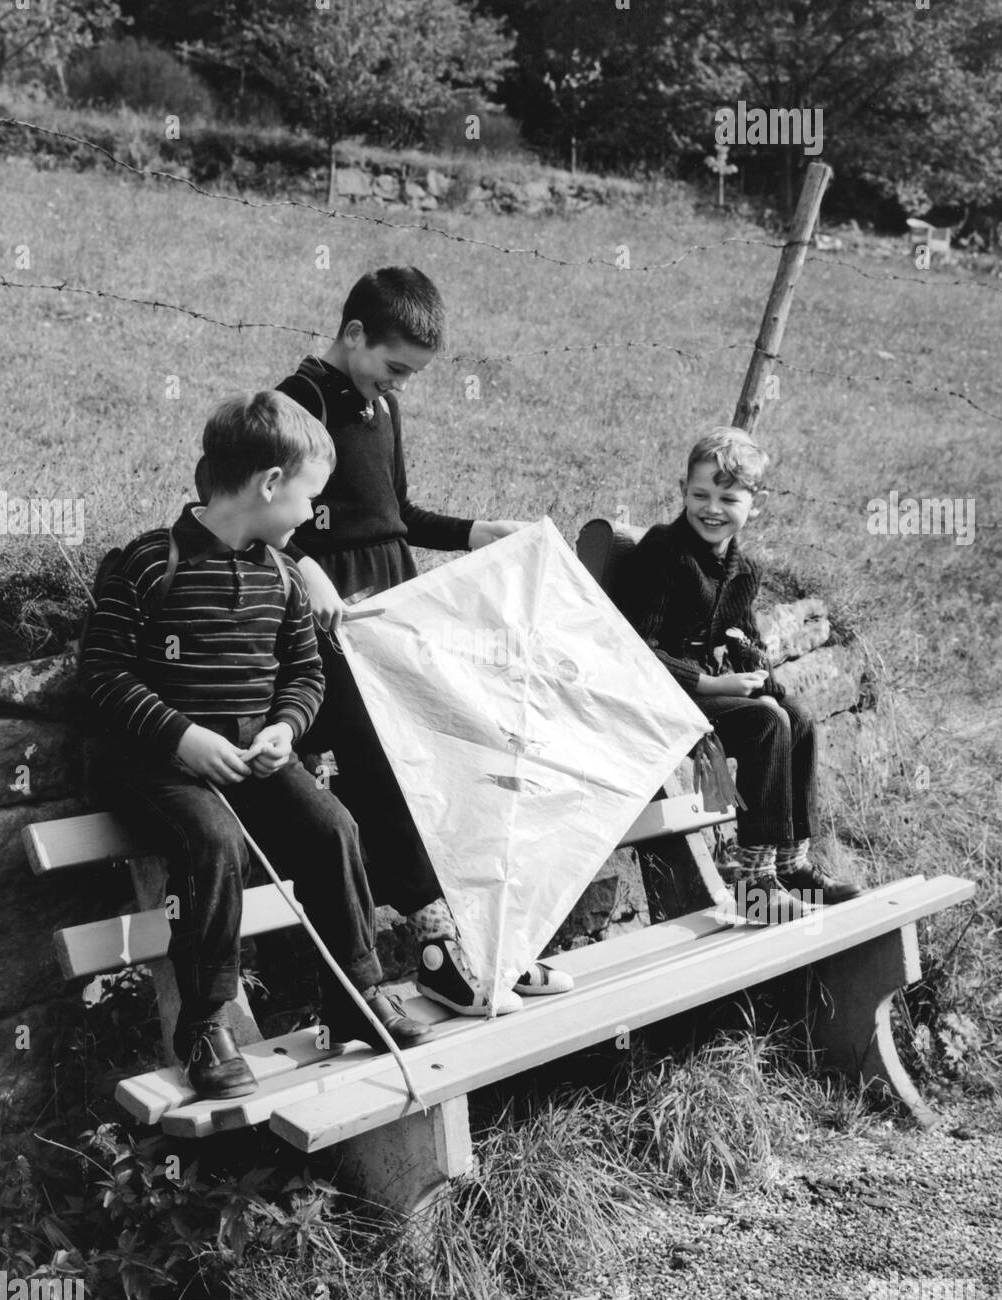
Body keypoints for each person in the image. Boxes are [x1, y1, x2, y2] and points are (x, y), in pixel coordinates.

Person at [80, 390, 434, 1101]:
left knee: (333, 826)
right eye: (308, 497)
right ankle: (206, 1024)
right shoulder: (151, 564)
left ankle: (356, 995)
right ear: (270, 484)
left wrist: (286, 730)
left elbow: (304, 674)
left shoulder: (280, 575)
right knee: (215, 840)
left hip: (254, 757)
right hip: (161, 766)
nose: (311, 515)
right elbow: (103, 674)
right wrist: (182, 737)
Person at [271, 265, 574, 1014]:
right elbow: (271, 510)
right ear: (353, 335)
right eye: (393, 366)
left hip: (395, 596)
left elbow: (394, 512)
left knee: (452, 752)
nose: (396, 385)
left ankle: (489, 939)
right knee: (384, 765)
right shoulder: (299, 399)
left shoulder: (385, 407)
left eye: (409, 375)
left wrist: (474, 533)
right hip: (333, 613)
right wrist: (305, 568)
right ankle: (439, 946)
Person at [614, 425, 861, 926]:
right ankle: (754, 884)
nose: (712, 508)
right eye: (700, 494)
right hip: (657, 688)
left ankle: (790, 866)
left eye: (728, 498)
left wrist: (769, 688)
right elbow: (638, 647)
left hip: (706, 690)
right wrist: (711, 684)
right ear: (682, 490)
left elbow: (744, 642)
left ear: (753, 504)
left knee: (797, 717)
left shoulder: (742, 569)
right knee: (765, 726)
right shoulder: (667, 551)